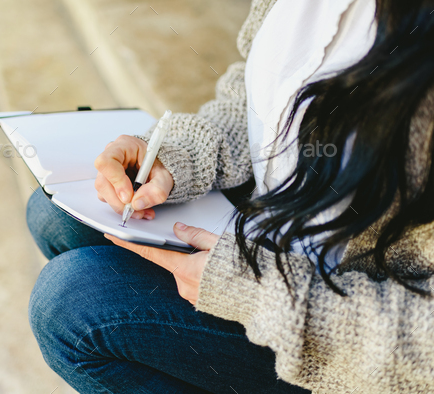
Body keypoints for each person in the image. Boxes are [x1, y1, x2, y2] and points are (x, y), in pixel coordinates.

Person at [27, 0, 434, 392]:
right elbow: (260, 94)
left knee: (70, 303)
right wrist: (175, 160)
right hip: (267, 225)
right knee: (55, 212)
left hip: (342, 329)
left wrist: (255, 293)